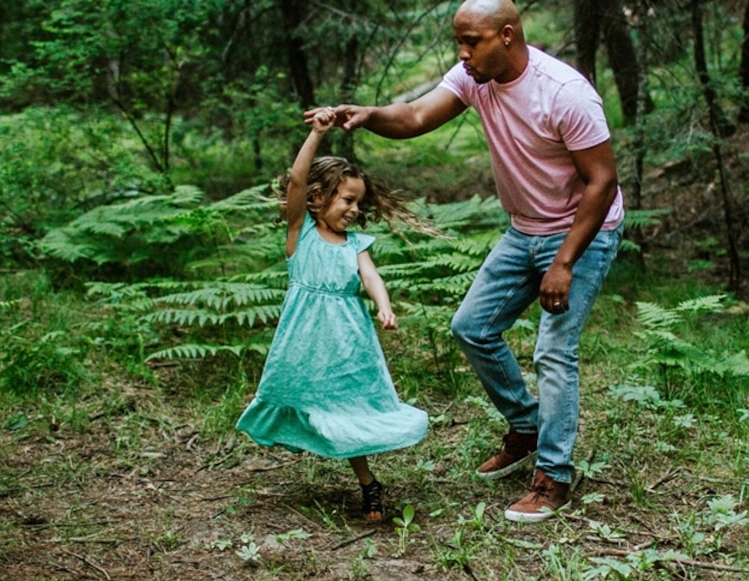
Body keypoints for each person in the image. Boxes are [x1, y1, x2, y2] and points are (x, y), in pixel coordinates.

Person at [323, 0, 624, 522]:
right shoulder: (474, 78)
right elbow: (416, 115)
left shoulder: (565, 94)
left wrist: (564, 262)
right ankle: (528, 426)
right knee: (472, 327)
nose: (461, 54)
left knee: (553, 351)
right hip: (524, 229)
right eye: (458, 42)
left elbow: (603, 182)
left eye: (471, 42)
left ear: (506, 36)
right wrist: (370, 117)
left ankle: (554, 477)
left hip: (582, 231)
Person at [236, 108, 428, 522]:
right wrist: (317, 136)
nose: (356, 209)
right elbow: (297, 180)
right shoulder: (299, 233)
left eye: (359, 202)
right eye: (348, 199)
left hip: (347, 344)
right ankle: (323, 452)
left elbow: (370, 274)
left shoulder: (355, 242)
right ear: (318, 197)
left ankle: (368, 484)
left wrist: (384, 304)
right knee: (305, 404)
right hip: (304, 344)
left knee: (349, 410)